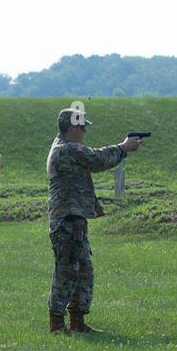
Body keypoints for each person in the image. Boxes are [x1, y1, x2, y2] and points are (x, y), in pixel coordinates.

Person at [45, 105, 142, 333]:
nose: (85, 132)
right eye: (82, 127)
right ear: (73, 128)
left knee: (83, 270)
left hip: (74, 219)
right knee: (67, 270)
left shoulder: (65, 147)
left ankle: (78, 323)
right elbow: (98, 159)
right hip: (67, 220)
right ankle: (57, 324)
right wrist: (123, 147)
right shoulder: (67, 150)